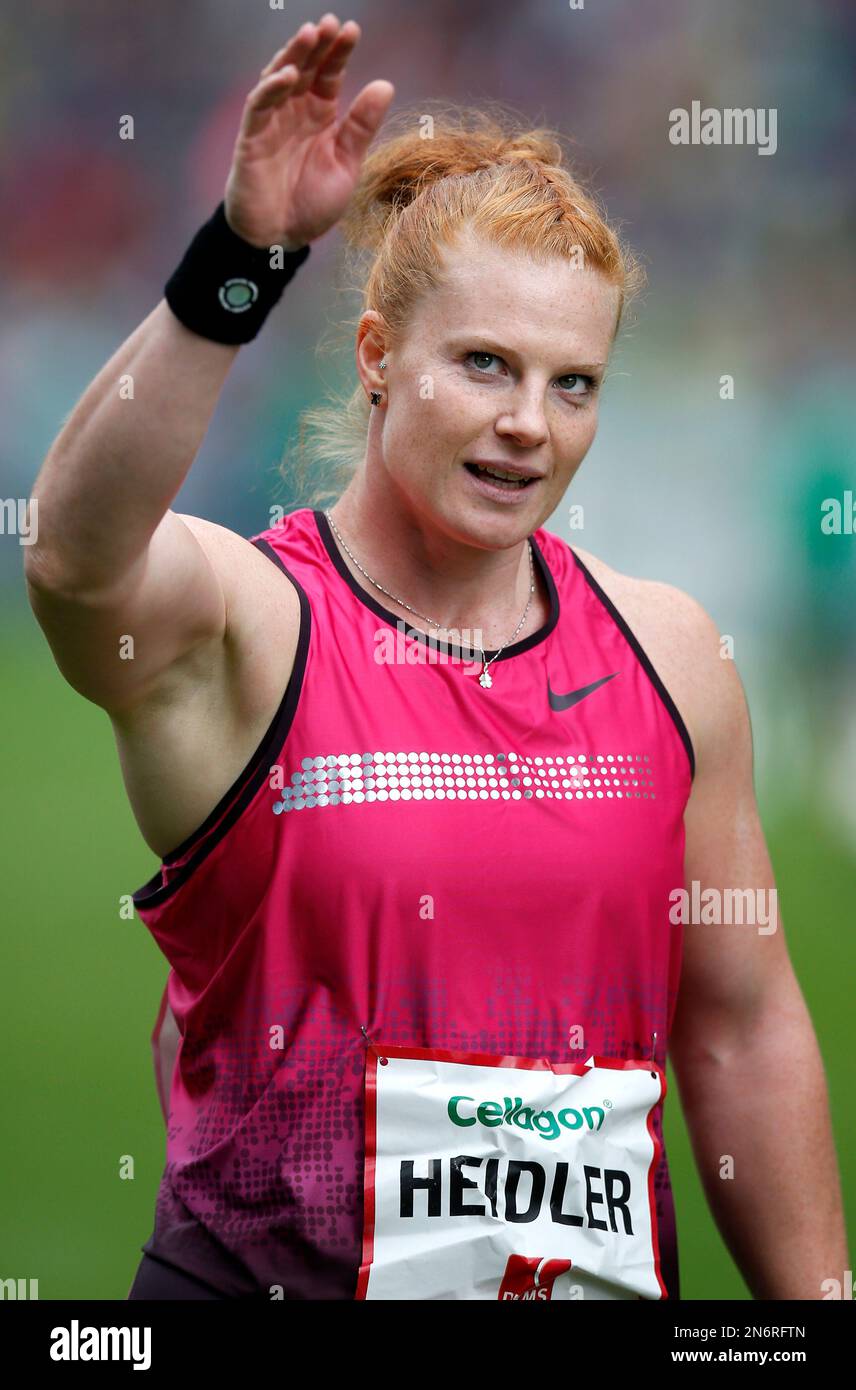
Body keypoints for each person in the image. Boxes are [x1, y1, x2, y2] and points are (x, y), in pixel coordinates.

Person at [24, 13, 847, 1301]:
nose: (527, 423)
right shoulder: (256, 624)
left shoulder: (674, 656)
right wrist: (241, 258)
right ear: (376, 360)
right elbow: (75, 563)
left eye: (573, 384)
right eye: (483, 366)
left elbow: (739, 1024)